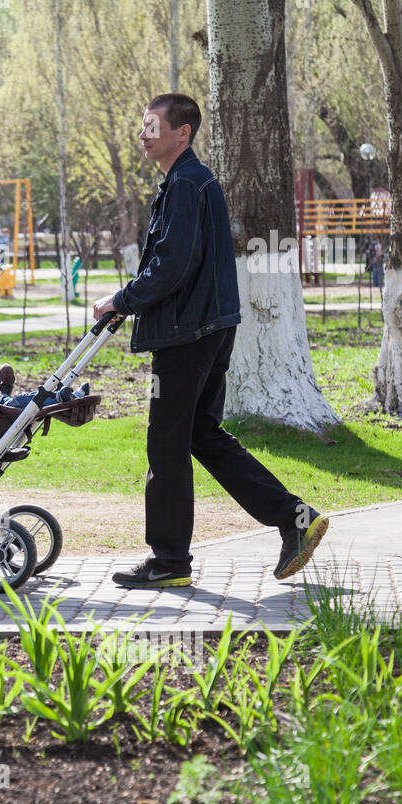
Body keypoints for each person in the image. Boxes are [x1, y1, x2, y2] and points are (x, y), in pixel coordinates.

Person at [91, 92, 329, 589]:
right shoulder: (190, 182)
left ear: (183, 132)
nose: (143, 133)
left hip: (187, 333)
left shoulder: (184, 185)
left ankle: (169, 562)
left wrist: (123, 299)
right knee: (201, 435)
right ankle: (295, 518)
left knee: (167, 445)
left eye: (152, 125)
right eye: (142, 124)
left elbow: (172, 265)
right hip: (209, 328)